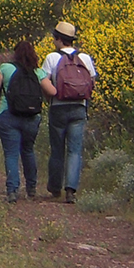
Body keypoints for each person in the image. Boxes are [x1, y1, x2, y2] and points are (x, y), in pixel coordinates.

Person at [44, 21, 99, 204]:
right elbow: (92, 83)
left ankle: (54, 187)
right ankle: (71, 191)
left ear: (58, 39)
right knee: (75, 150)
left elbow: (45, 83)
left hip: (58, 106)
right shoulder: (85, 58)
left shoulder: (52, 58)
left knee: (57, 149)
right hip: (79, 108)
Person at [0, 40, 51, 204]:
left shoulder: (5, 68)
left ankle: (12, 191)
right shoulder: (38, 72)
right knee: (28, 150)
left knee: (11, 153)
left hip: (7, 115)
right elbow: (52, 91)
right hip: (32, 117)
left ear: (15, 53)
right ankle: (31, 187)